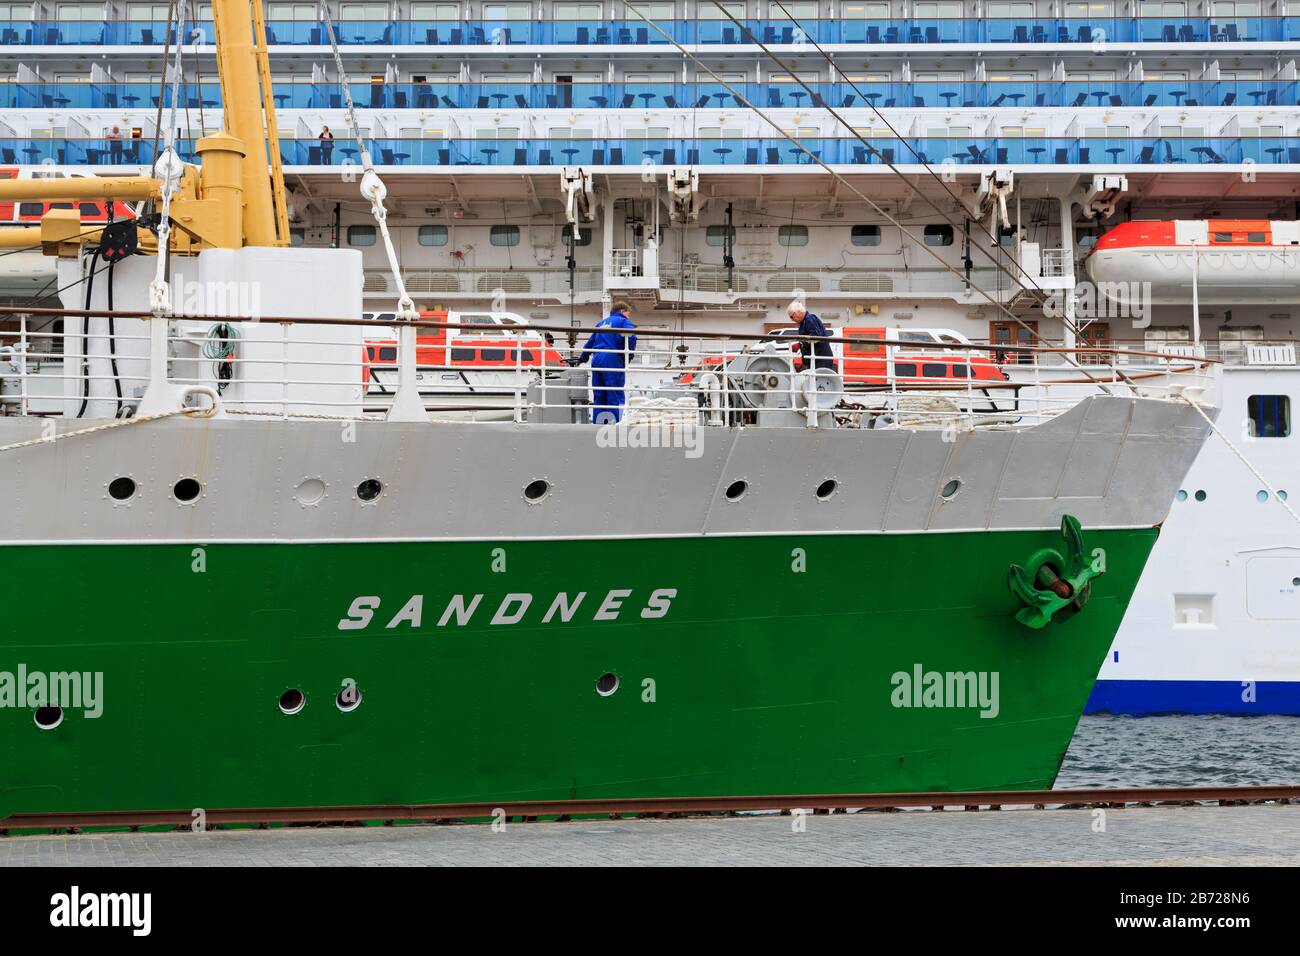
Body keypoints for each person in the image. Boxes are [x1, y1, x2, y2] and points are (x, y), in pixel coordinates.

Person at [579, 301, 636, 424]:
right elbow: (631, 337)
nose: (629, 316)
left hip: (597, 359)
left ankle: (599, 425)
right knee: (614, 393)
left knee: (599, 394)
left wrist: (582, 358)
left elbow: (589, 344)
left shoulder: (600, 324)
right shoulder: (622, 321)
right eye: (628, 313)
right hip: (612, 359)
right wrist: (628, 356)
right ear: (622, 311)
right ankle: (614, 424)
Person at [787, 299, 834, 372]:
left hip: (820, 358)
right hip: (816, 358)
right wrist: (800, 344)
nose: (792, 319)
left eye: (792, 316)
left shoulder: (809, 319)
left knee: (818, 380)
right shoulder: (805, 321)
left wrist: (801, 343)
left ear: (798, 312)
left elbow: (815, 336)